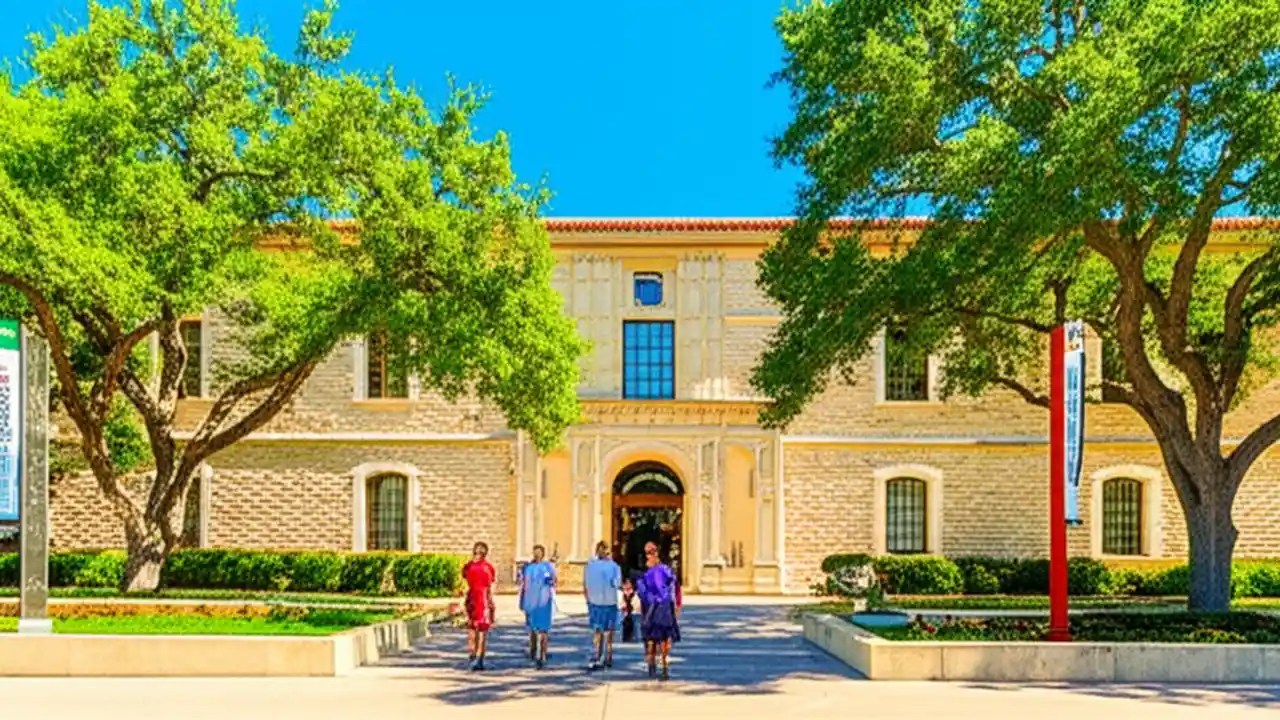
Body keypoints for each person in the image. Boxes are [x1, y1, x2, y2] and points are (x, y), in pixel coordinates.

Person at [636, 540, 679, 681]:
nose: (648, 557)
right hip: (663, 605)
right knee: (663, 636)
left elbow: (643, 592)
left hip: (655, 607)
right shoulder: (664, 570)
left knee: (652, 637)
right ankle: (663, 662)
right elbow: (673, 585)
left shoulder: (647, 575)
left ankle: (654, 662)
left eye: (649, 553)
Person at [583, 540, 622, 670]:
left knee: (602, 631)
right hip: (603, 602)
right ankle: (604, 656)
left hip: (602, 602)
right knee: (604, 632)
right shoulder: (612, 566)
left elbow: (586, 585)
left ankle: (603, 655)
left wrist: (588, 599)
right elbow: (617, 583)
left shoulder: (593, 566)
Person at [519, 544, 557, 669]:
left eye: (539, 552)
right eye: (535, 552)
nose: (537, 554)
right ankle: (533, 650)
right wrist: (522, 601)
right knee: (532, 629)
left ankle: (543, 654)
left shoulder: (548, 567)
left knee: (544, 630)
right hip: (530, 601)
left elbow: (554, 581)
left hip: (544, 601)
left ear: (543, 554)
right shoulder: (528, 567)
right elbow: (523, 584)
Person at [461, 541, 497, 672]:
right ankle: (479, 658)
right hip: (483, 599)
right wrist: (492, 603)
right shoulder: (488, 567)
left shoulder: (468, 566)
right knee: (482, 630)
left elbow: (465, 581)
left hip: (473, 597)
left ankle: (473, 655)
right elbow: (490, 587)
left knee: (472, 628)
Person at [620, 577, 638, 643]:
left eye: (629, 582)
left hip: (632, 610)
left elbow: (635, 601)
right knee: (625, 623)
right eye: (626, 582)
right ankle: (625, 637)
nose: (628, 584)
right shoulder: (623, 592)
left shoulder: (633, 592)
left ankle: (630, 636)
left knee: (631, 623)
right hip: (626, 610)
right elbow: (622, 601)